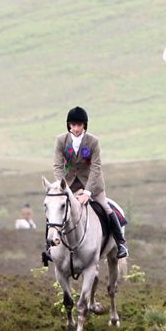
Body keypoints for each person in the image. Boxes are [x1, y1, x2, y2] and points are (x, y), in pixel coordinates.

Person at [46, 106, 127, 261]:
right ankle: (49, 247)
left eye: (79, 125)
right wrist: (64, 187)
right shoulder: (61, 140)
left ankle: (121, 243)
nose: (76, 128)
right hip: (69, 184)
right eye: (73, 125)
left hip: (92, 183)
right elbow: (57, 166)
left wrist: (88, 192)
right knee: (54, 208)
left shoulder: (93, 141)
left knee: (105, 207)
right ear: (69, 125)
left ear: (84, 125)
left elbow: (96, 167)